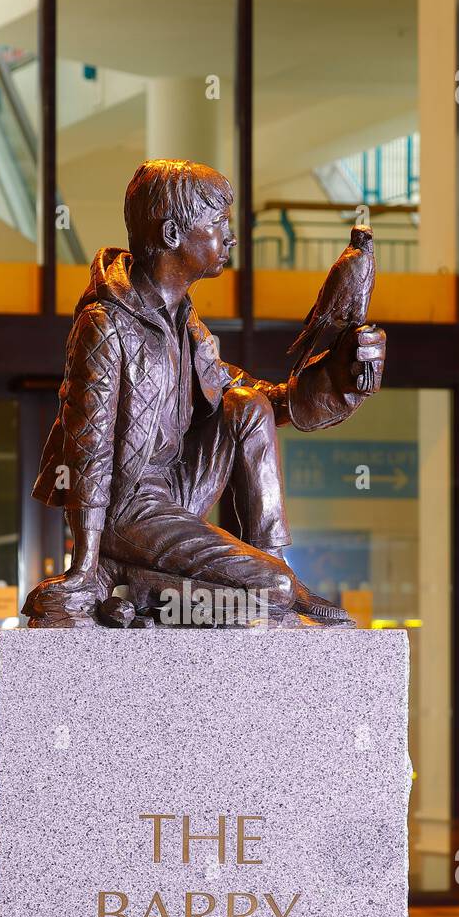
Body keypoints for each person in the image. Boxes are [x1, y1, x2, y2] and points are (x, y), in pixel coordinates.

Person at [25, 159, 386, 626]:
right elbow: (86, 449)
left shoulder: (184, 321)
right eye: (218, 224)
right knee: (269, 592)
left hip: (174, 491)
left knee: (246, 405)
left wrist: (341, 376)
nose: (230, 238)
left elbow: (269, 401)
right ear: (173, 233)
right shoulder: (105, 324)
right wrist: (83, 564)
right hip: (127, 506)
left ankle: (270, 564)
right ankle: (157, 588)